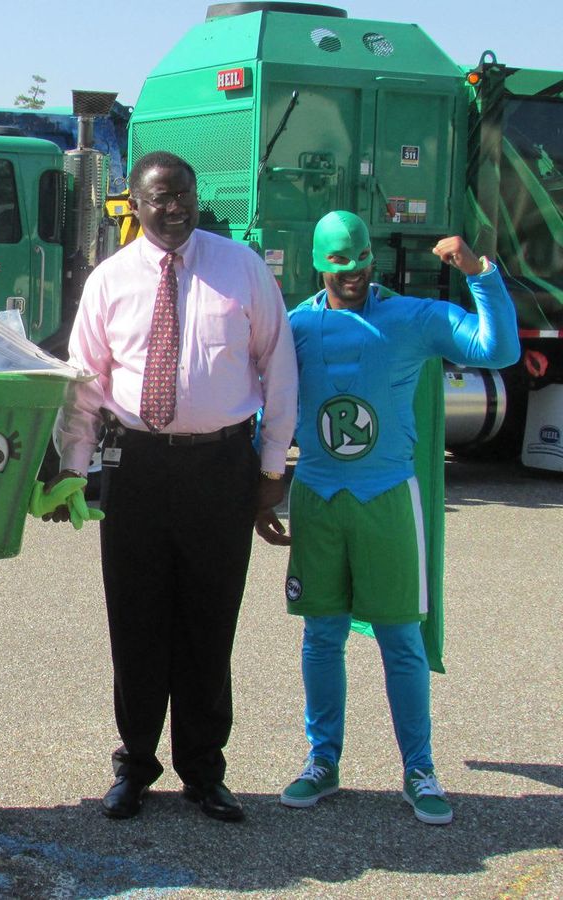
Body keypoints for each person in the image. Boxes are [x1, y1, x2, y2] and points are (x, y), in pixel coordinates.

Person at [51, 151, 298, 822]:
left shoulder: (240, 267)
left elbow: (278, 367)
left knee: (209, 624)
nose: (175, 207)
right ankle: (134, 767)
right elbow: (83, 382)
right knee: (135, 623)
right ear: (135, 202)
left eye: (184, 194)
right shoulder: (110, 280)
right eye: (160, 197)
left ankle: (204, 771)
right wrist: (73, 471)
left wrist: (273, 470)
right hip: (137, 468)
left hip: (222, 469)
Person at [262, 211, 519, 825]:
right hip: (320, 498)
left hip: (386, 498)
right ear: (320, 264)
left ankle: (419, 767)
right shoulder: (295, 327)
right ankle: (322, 761)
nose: (350, 273)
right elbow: (263, 407)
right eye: (338, 262)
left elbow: (498, 348)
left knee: (400, 639)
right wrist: (263, 491)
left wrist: (479, 273)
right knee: (321, 636)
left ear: (371, 258)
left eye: (359, 260)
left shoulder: (411, 318)